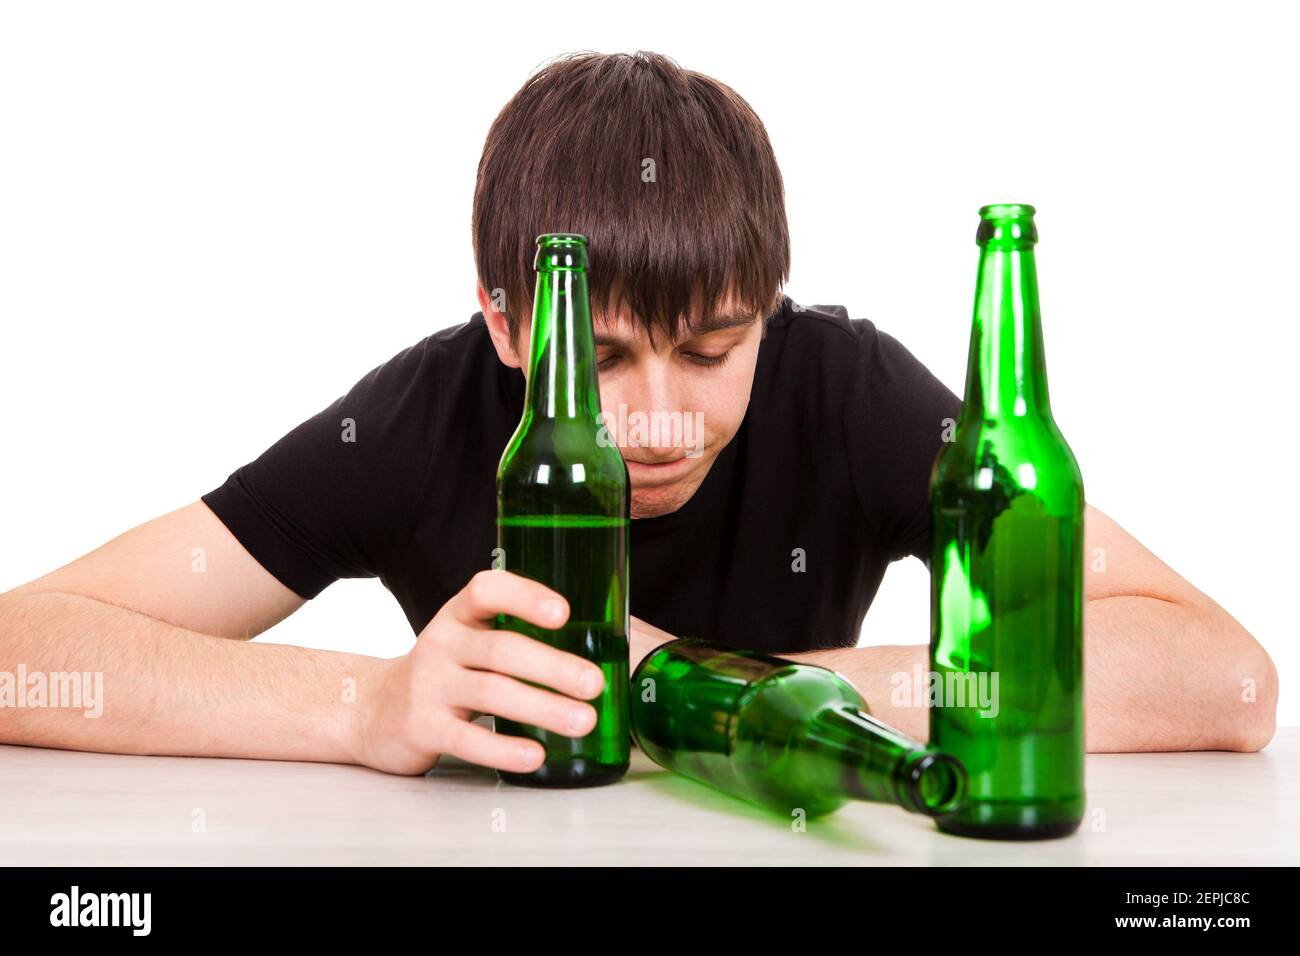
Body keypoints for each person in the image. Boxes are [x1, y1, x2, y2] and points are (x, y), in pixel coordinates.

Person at [0, 52, 1275, 777]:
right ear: (503, 323)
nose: (659, 421)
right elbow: (25, 645)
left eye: (713, 349)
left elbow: (1222, 674)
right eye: (599, 358)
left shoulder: (844, 386)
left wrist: (752, 690)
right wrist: (362, 707)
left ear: (766, 315)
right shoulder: (418, 417)